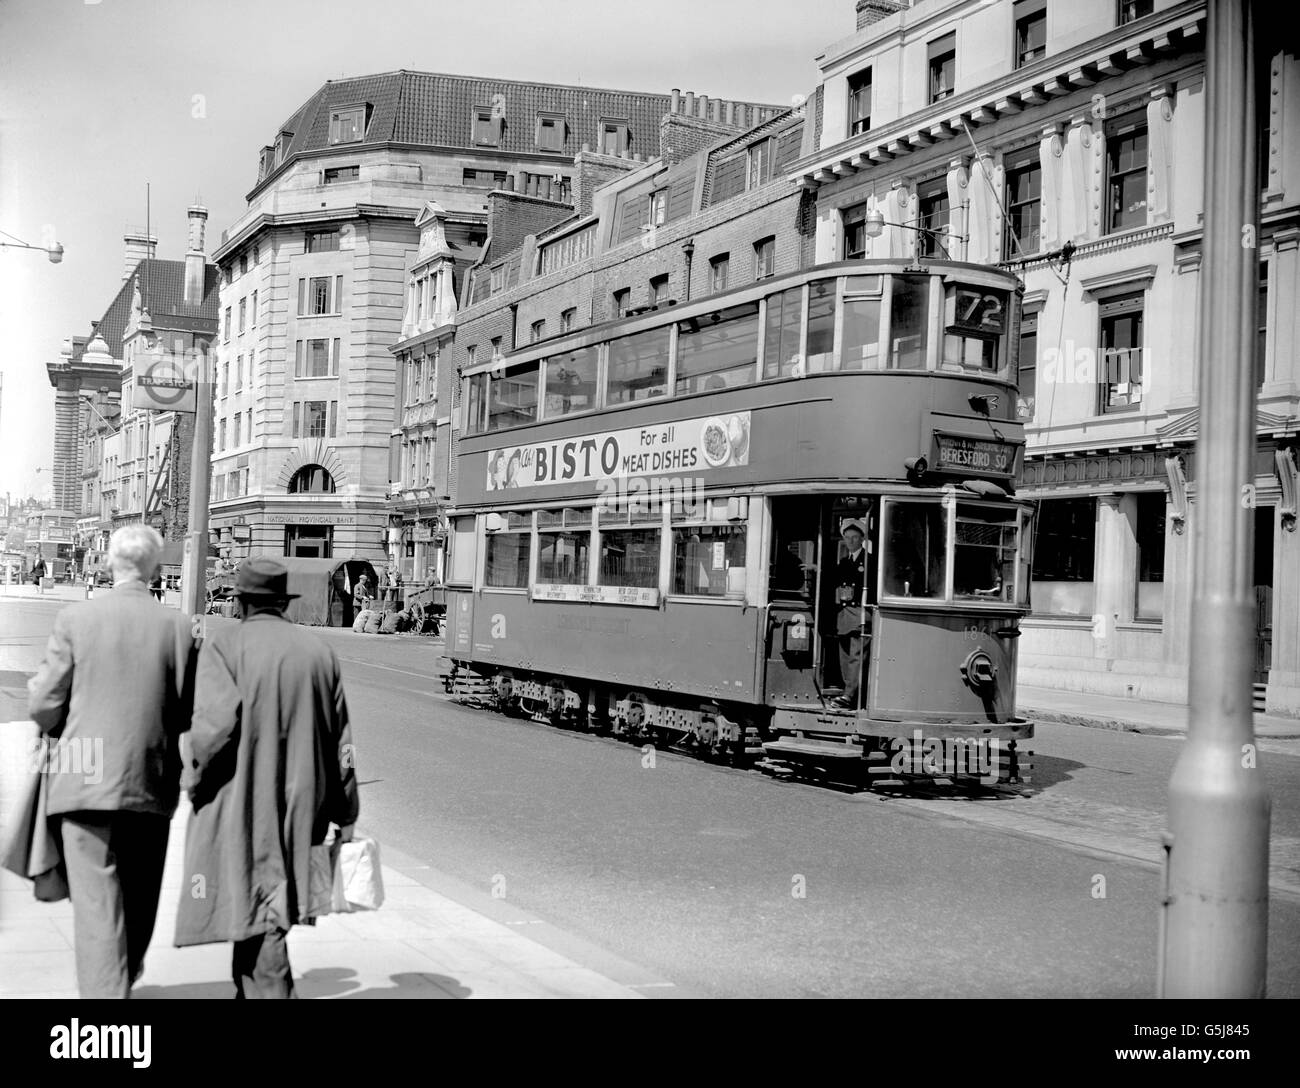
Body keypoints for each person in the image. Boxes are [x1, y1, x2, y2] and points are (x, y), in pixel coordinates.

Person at [175, 558, 360, 998]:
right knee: (265, 905)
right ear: (282, 601)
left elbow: (212, 728)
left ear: (241, 602)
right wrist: (346, 810)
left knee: (262, 906)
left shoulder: (225, 645)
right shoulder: (319, 652)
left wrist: (192, 780)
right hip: (303, 803)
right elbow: (343, 745)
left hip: (241, 802)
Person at [26, 525, 197, 998]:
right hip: (150, 774)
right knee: (141, 892)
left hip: (84, 769)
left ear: (108, 564)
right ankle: (126, 972)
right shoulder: (179, 627)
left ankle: (105, 998)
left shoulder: (76, 618)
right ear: (155, 568)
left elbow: (43, 704)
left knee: (97, 900)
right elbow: (186, 709)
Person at [830, 520, 869, 711]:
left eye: (855, 537)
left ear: (862, 539)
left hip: (860, 614)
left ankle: (849, 694)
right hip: (845, 615)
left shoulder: (870, 561)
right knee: (845, 656)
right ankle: (849, 693)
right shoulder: (844, 562)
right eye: (847, 537)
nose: (851, 541)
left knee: (856, 656)